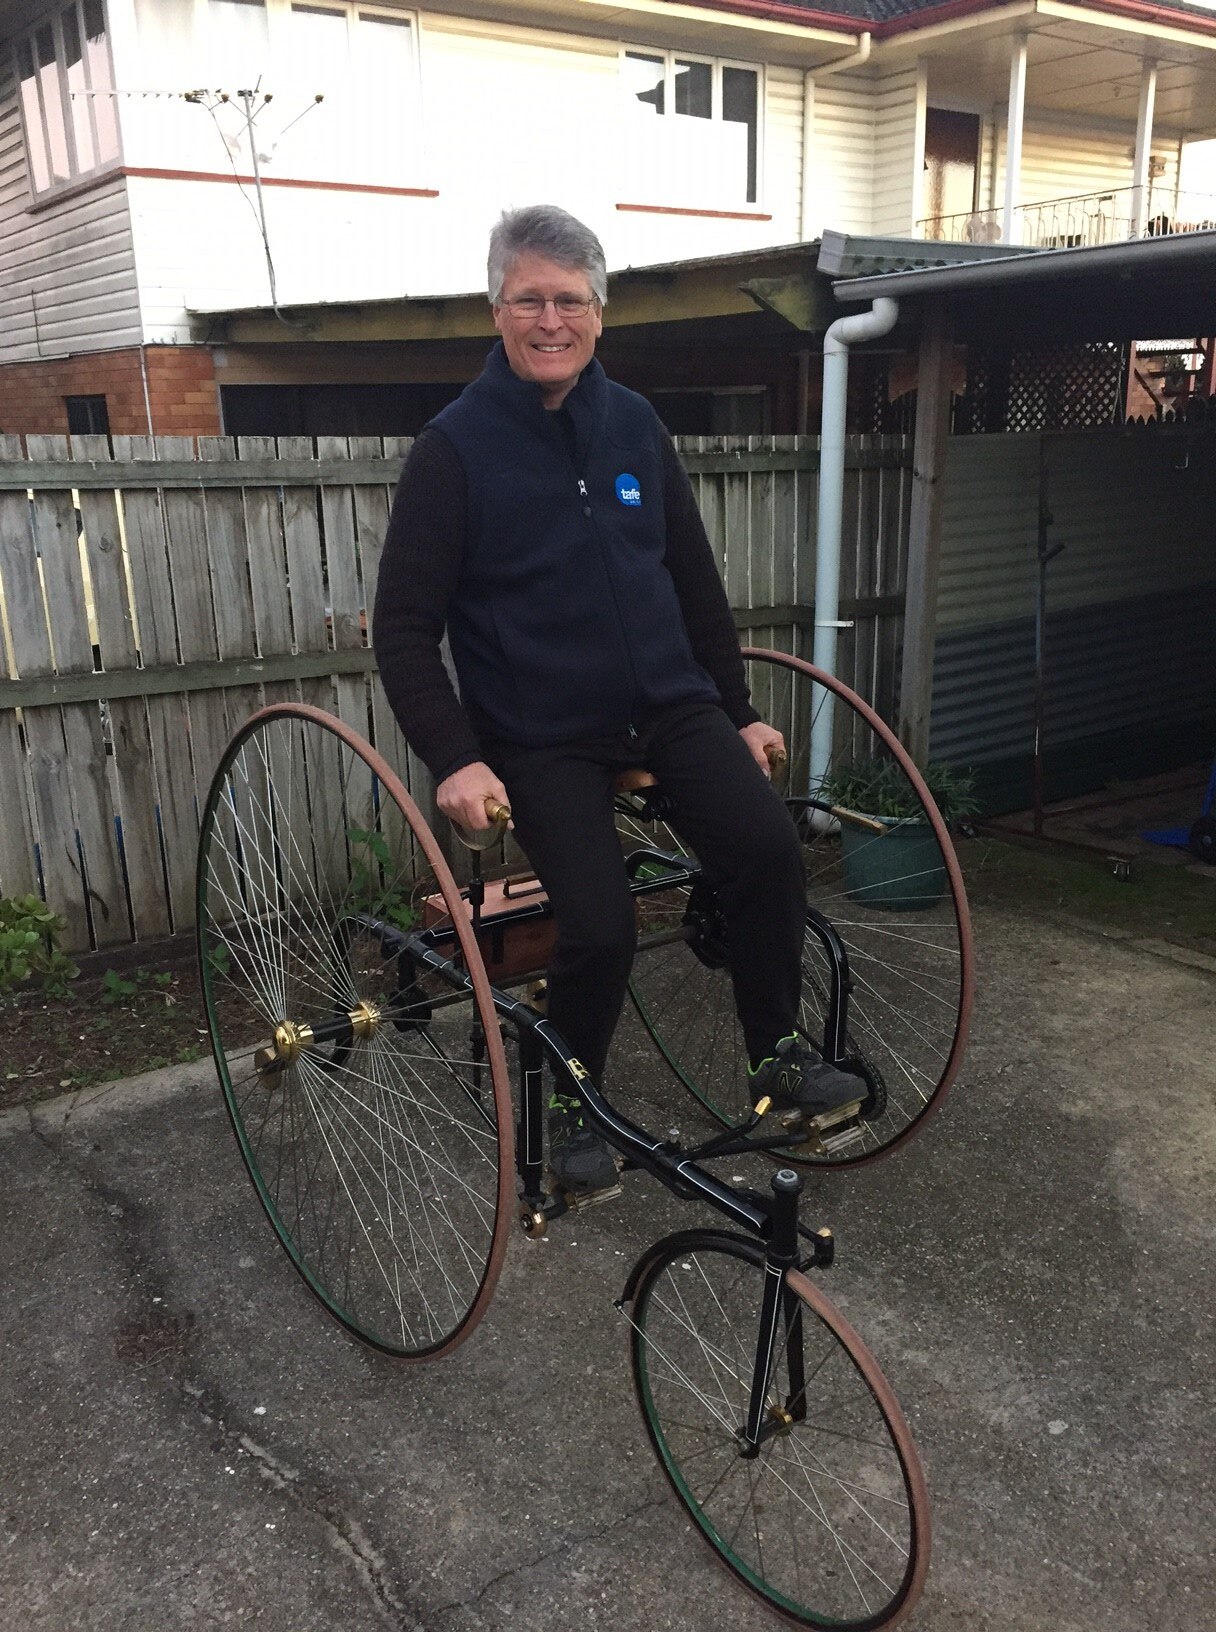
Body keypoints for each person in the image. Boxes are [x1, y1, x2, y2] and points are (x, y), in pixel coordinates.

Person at [373, 204, 862, 1192]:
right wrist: (455, 756)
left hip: (670, 704)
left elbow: (692, 582)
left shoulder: (634, 424)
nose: (549, 320)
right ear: (495, 308)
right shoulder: (454, 451)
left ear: (601, 312)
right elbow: (402, 628)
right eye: (528, 300)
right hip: (543, 732)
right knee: (598, 923)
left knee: (767, 849)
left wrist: (736, 706)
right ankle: (565, 1102)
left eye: (569, 300)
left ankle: (774, 1053)